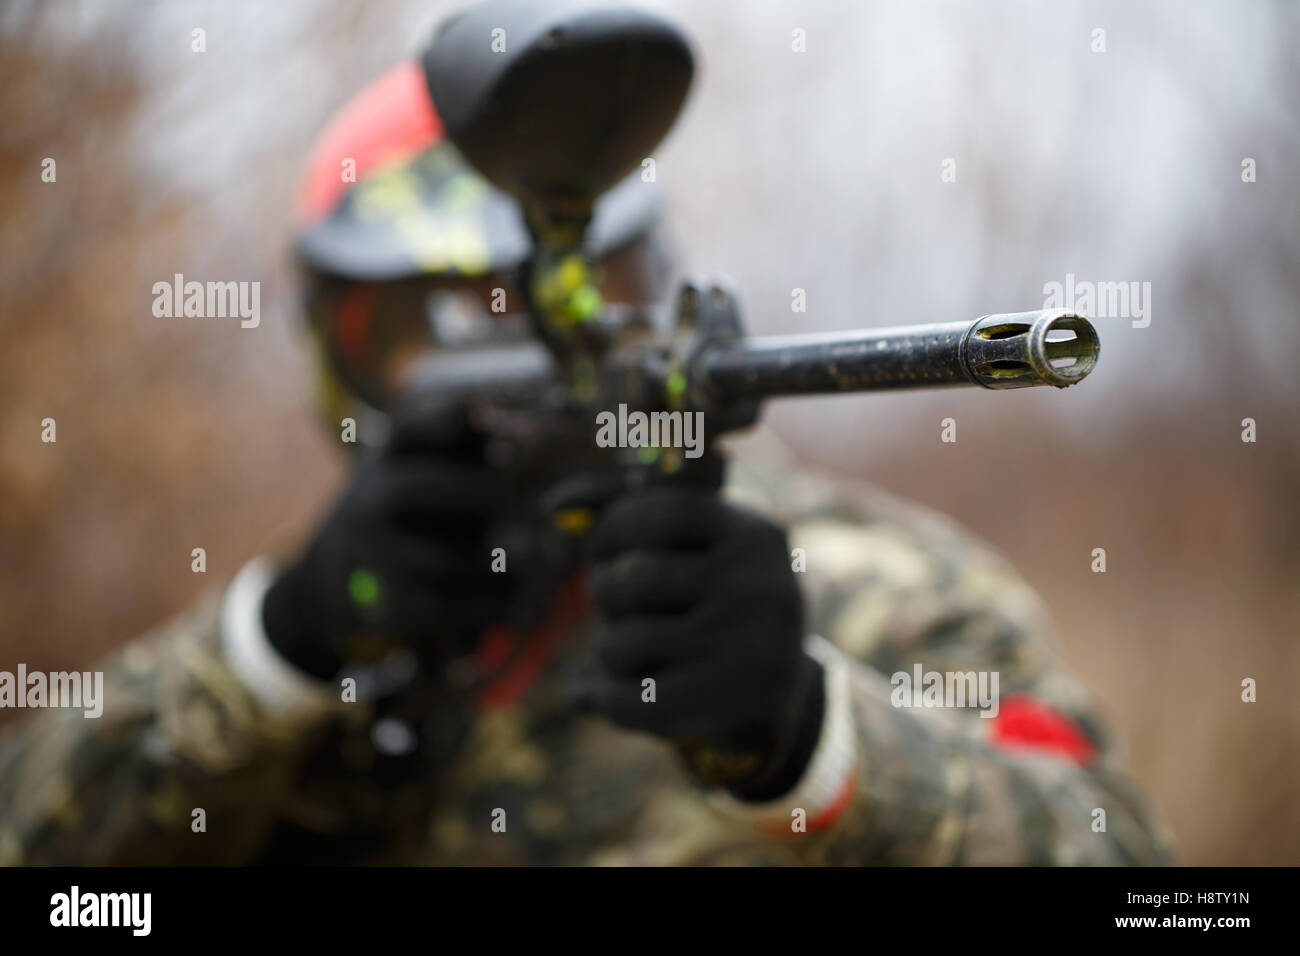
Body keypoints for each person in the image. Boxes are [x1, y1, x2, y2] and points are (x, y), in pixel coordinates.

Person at [0, 50, 1173, 867]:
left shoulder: (876, 593)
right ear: (340, 353)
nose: (514, 355)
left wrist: (814, 743)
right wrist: (275, 652)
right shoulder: (323, 638)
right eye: (428, 321)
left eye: (559, 303)